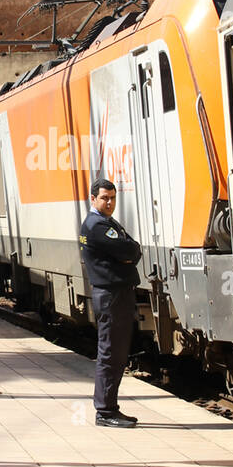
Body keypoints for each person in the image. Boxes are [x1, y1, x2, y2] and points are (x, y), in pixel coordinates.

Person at [79, 178, 142, 428]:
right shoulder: (97, 225)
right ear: (93, 198)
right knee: (110, 353)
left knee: (116, 353)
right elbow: (130, 251)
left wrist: (129, 251)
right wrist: (129, 253)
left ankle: (110, 407)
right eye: (105, 198)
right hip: (111, 295)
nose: (109, 202)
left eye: (113, 198)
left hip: (114, 294)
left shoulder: (104, 222)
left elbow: (129, 249)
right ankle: (105, 411)